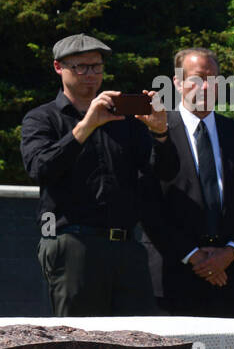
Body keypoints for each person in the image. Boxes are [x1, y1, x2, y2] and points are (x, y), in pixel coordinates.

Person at [20, 34, 179, 315]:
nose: (90, 75)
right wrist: (86, 126)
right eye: (80, 67)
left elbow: (164, 173)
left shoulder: (125, 120)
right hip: (72, 244)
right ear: (58, 67)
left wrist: (161, 133)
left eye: (96, 66)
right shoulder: (41, 118)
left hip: (127, 247)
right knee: (80, 343)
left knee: (139, 341)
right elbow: (40, 169)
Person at [141, 47, 234, 318]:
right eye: (198, 78)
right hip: (173, 278)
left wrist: (230, 253)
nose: (207, 86)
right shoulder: (156, 131)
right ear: (177, 82)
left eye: (214, 79)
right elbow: (149, 205)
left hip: (230, 280)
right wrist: (194, 256)